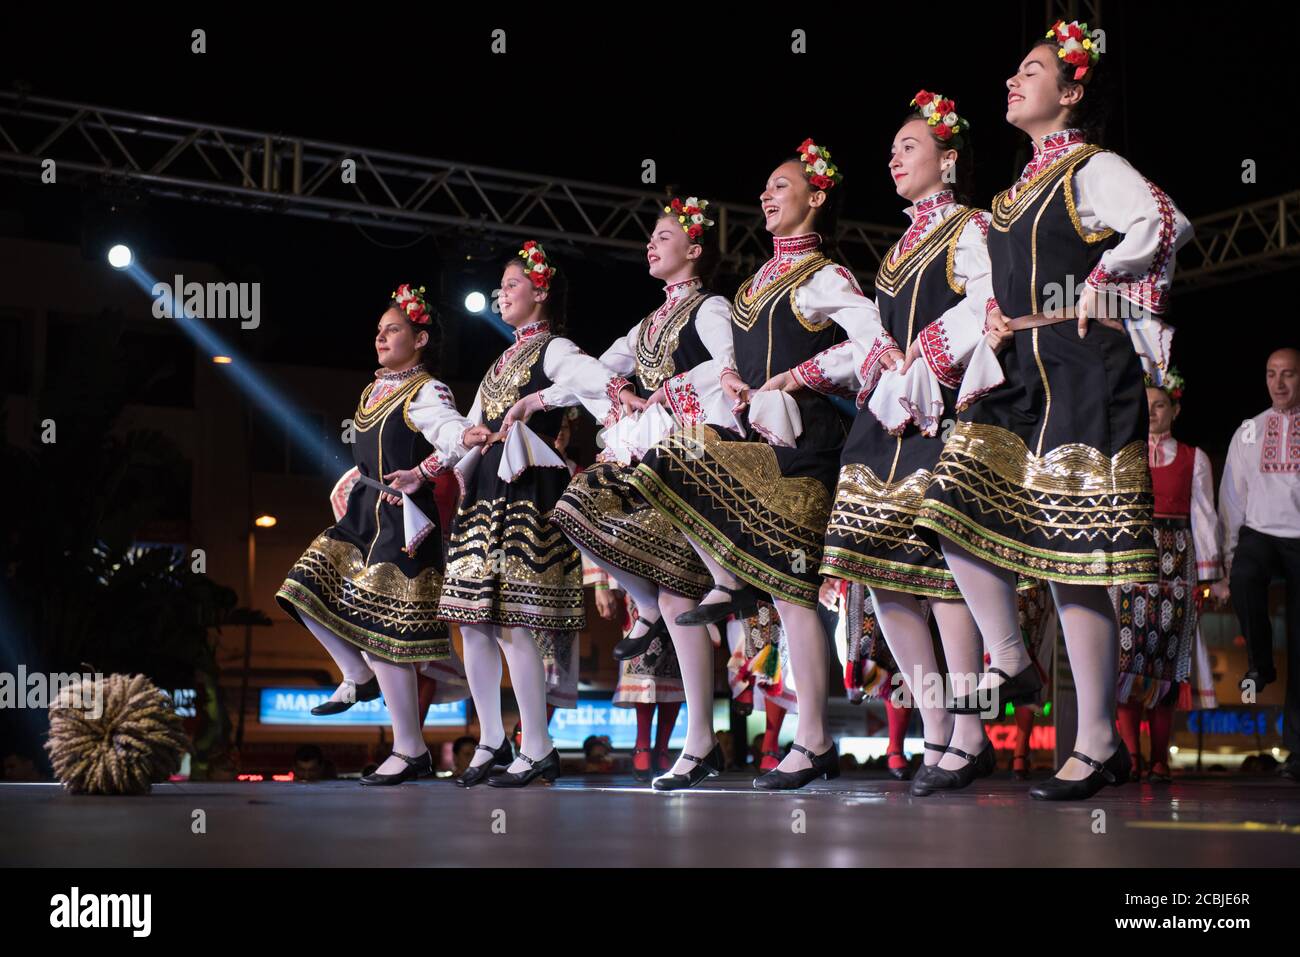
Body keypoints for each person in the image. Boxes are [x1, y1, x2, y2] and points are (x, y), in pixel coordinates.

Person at [914, 20, 1194, 800]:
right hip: (1016, 371)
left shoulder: (1092, 166)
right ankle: (1011, 655)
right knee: (949, 506)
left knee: (1074, 559)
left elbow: (1166, 222)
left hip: (1079, 366)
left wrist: (1107, 277)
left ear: (1070, 92)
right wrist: (999, 316)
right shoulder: (1005, 200)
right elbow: (1001, 286)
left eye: (1030, 71)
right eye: (1013, 70)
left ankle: (1098, 740)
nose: (1012, 81)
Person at [631, 139, 901, 790]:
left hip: (810, 445)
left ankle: (813, 737)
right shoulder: (753, 287)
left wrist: (800, 373)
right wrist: (729, 376)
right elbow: (738, 366)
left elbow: (871, 340)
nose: (766, 196)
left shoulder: (825, 275)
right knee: (665, 461)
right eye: (767, 188)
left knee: (792, 592)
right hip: (761, 447)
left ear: (817, 197)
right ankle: (723, 580)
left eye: (781, 186)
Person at [768, 94, 993, 795]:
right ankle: (934, 729)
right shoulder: (895, 251)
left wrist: (923, 358)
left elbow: (986, 303)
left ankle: (971, 728)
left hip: (943, 412)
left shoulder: (970, 226)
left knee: (945, 573)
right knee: (882, 571)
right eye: (892, 148)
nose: (895, 157)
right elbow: (874, 341)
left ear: (947, 158)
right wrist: (810, 370)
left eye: (910, 146)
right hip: (884, 422)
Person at [552, 196, 736, 790]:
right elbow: (597, 370)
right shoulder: (648, 324)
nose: (651, 245)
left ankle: (699, 742)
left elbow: (731, 364)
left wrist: (670, 391)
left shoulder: (710, 307)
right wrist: (540, 398)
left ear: (695, 249)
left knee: (681, 588)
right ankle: (648, 609)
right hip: (649, 452)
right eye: (650, 237)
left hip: (692, 454)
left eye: (663, 236)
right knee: (579, 505)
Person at [439, 242, 637, 788]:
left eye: (511, 286)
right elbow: (471, 425)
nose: (502, 294)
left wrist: (569, 399)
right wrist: (456, 446)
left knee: (512, 620)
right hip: (486, 490)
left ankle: (539, 746)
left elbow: (589, 377)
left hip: (527, 490)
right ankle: (490, 740)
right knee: (472, 618)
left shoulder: (553, 348)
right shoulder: (502, 360)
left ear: (541, 292)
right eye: (500, 287)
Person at [276, 285, 484, 785]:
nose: (381, 338)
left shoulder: (427, 390)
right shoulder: (372, 391)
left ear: (420, 337)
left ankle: (410, 750)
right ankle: (357, 675)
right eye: (378, 331)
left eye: (393, 330)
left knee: (390, 636)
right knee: (301, 588)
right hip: (363, 514)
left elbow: (452, 433)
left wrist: (425, 468)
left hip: (403, 520)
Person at [1111, 370, 1221, 782]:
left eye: (1160, 405)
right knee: (1128, 659)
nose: (1153, 413)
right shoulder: (1124, 454)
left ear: (1174, 410)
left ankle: (1159, 757)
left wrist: (1209, 577)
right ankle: (1130, 756)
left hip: (1176, 562)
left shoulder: (1194, 458)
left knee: (1166, 663)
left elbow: (1205, 518)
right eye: (1148, 405)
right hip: (1131, 560)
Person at [1216, 347, 1300, 782]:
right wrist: (1228, 562)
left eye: (1288, 374)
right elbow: (1232, 496)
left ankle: (1297, 752)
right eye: (1271, 374)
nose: (1279, 383)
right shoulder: (1250, 430)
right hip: (1260, 532)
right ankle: (1260, 662)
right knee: (1247, 575)